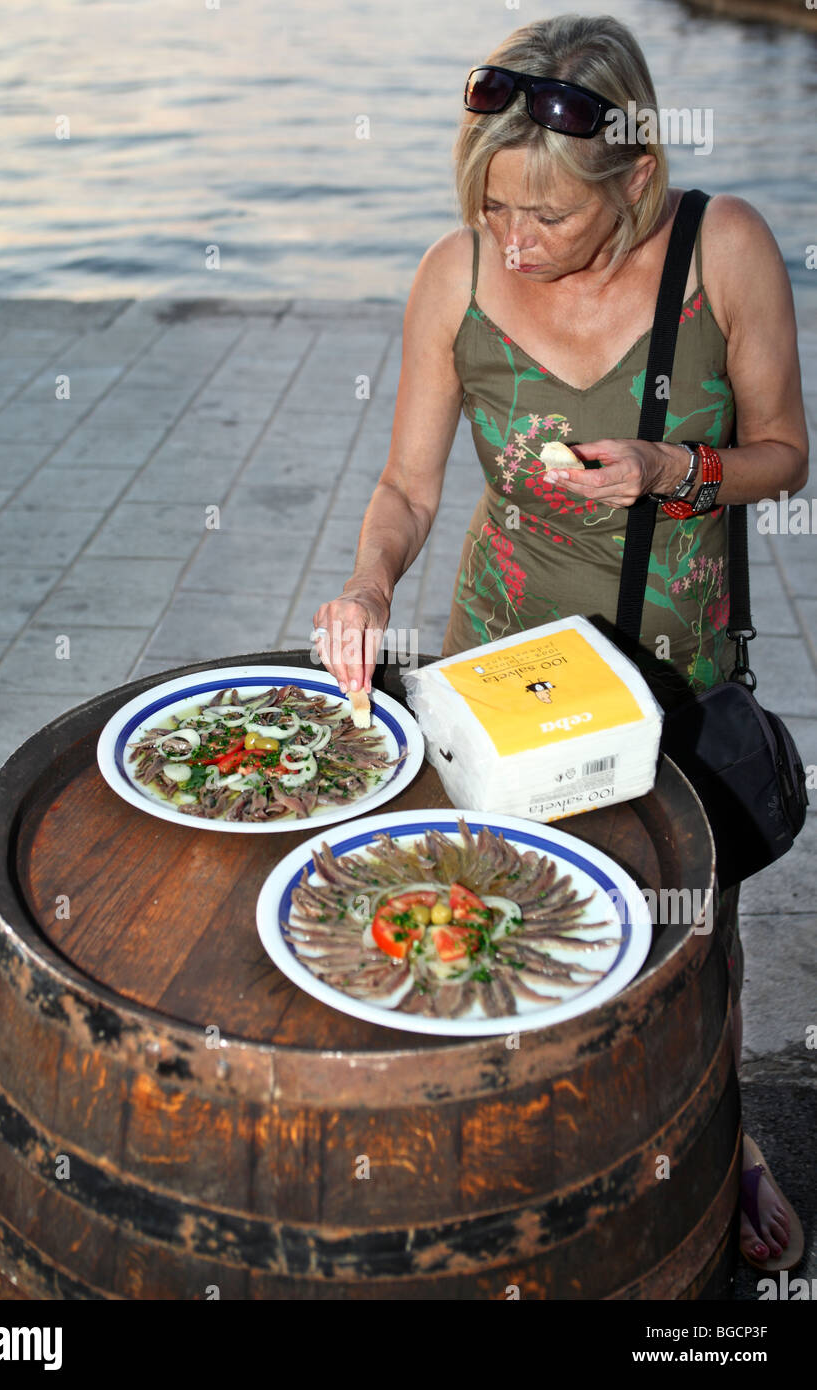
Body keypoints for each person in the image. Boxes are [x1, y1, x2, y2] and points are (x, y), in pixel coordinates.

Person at [312, 13, 808, 1272]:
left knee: (693, 939)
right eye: (495, 212)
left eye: (548, 219)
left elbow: (786, 455)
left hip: (675, 675)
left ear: (634, 179)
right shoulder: (457, 275)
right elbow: (410, 491)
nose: (517, 246)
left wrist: (670, 468)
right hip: (499, 666)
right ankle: (507, 1162)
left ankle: (724, 1140)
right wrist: (368, 586)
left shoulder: (726, 251)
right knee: (499, 920)